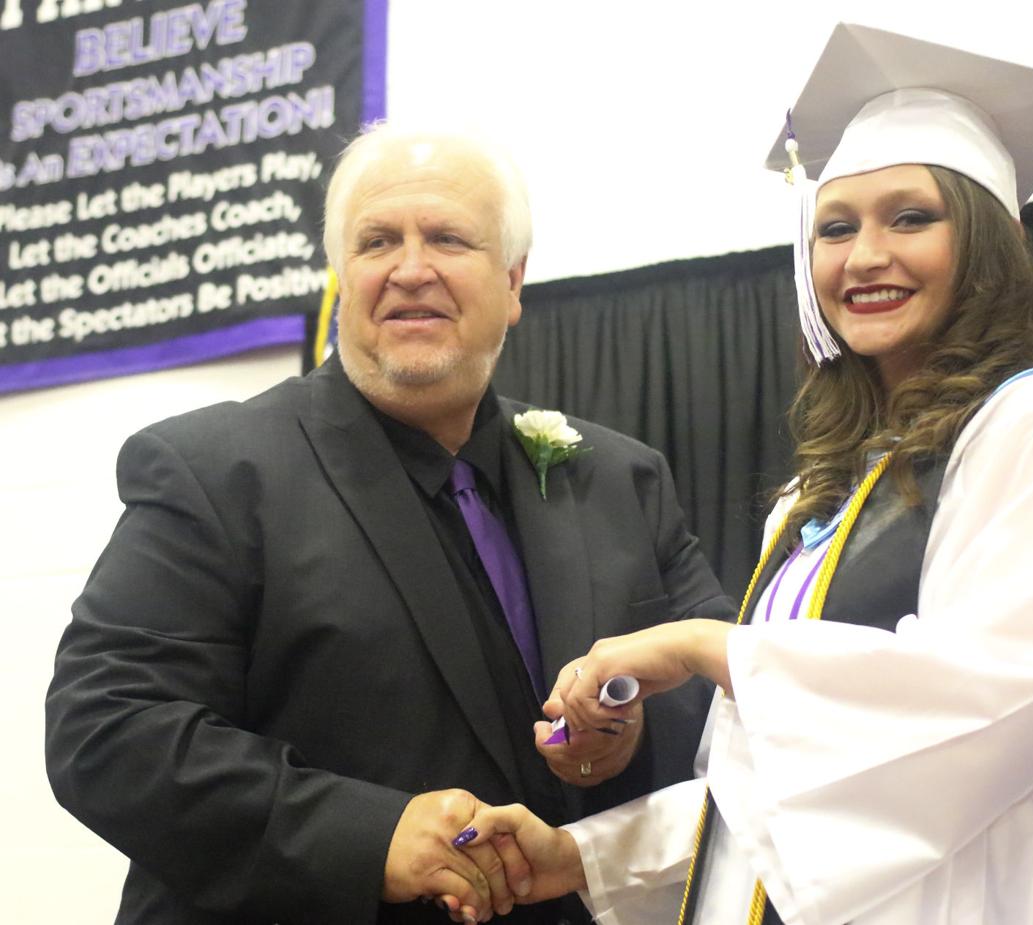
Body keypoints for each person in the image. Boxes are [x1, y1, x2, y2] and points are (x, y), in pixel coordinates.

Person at [454, 23, 1033, 925]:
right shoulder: (819, 497)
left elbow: (984, 714)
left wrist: (704, 647)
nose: (864, 256)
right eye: (835, 227)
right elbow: (781, 793)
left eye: (912, 216)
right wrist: (582, 856)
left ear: (994, 241)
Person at [44, 124, 734, 925]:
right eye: (378, 241)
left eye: (447, 237)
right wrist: (371, 835)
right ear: (343, 275)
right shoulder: (215, 470)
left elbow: (723, 701)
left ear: (513, 283)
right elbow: (107, 729)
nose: (412, 269)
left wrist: (628, 728)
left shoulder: (622, 478)